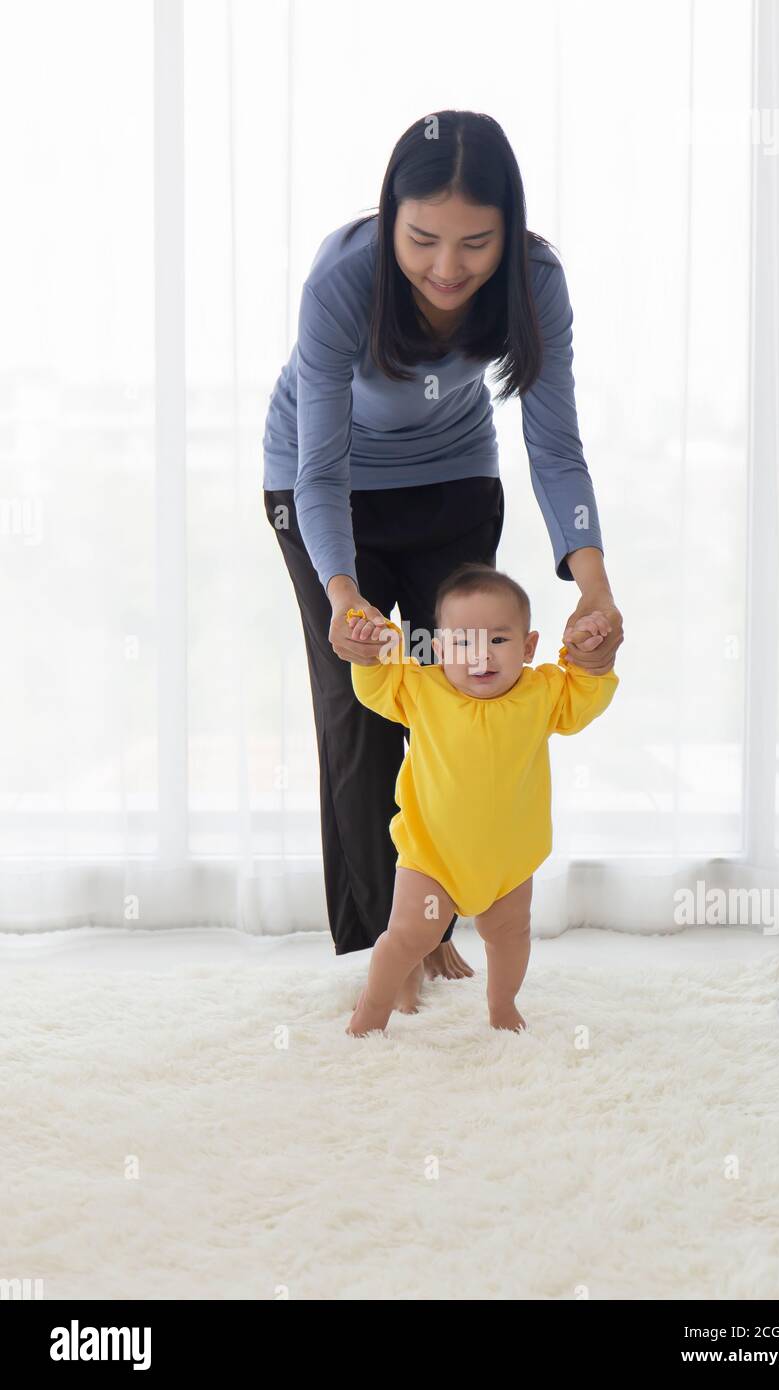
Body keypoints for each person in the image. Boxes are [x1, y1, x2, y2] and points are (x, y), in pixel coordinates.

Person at [262, 109, 624, 988]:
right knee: (361, 708)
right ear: (390, 218)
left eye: (476, 243)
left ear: (511, 230)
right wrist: (346, 598)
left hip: (453, 482)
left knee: (460, 690)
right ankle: (374, 948)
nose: (448, 268)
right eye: (423, 239)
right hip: (321, 488)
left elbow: (556, 448)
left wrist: (595, 588)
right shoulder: (342, 280)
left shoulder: (536, 280)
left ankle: (436, 919)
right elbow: (320, 469)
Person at [343, 563, 619, 1035]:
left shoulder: (544, 692)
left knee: (510, 936)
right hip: (432, 857)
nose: (481, 656)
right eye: (463, 642)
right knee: (409, 936)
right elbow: (377, 681)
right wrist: (372, 640)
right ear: (439, 647)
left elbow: (585, 696)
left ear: (528, 647)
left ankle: (502, 1006)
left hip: (508, 862)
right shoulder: (422, 688)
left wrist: (592, 654)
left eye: (498, 640)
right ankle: (373, 1008)